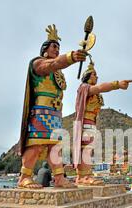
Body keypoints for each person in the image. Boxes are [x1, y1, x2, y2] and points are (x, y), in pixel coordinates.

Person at [17, 25, 87, 189]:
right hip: (41, 112)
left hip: (55, 113)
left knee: (55, 147)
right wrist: (70, 57)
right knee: (36, 144)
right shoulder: (37, 63)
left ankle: (59, 177)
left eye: (58, 47)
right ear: (44, 49)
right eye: (54, 46)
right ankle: (25, 177)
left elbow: (56, 65)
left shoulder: (58, 71)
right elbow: (53, 64)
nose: (56, 49)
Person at [73, 60, 132, 185]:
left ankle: (86, 174)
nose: (97, 77)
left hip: (92, 123)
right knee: (86, 149)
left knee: (88, 150)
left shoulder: (91, 91)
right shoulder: (85, 88)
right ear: (87, 77)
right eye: (94, 74)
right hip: (85, 123)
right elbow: (101, 87)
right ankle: (83, 176)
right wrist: (117, 84)